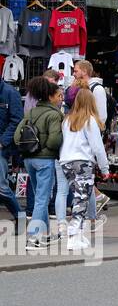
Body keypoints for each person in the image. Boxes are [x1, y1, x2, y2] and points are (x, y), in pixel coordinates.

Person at [60, 88, 108, 252]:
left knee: (78, 197)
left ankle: (78, 234)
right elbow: (97, 146)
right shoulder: (90, 120)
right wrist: (104, 167)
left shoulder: (67, 120)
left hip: (66, 162)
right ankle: (73, 236)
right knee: (82, 199)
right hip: (82, 162)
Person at [21, 76, 64, 248]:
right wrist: (46, 148)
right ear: (50, 96)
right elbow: (54, 141)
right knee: (42, 199)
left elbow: (18, 135)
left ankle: (45, 234)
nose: (60, 98)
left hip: (29, 159)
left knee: (40, 197)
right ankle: (32, 237)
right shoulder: (54, 114)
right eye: (58, 95)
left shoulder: (30, 112)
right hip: (45, 160)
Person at [0, 69, 22, 224]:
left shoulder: (10, 93)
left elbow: (17, 120)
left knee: (1, 186)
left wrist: (2, 142)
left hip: (2, 148)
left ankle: (20, 217)